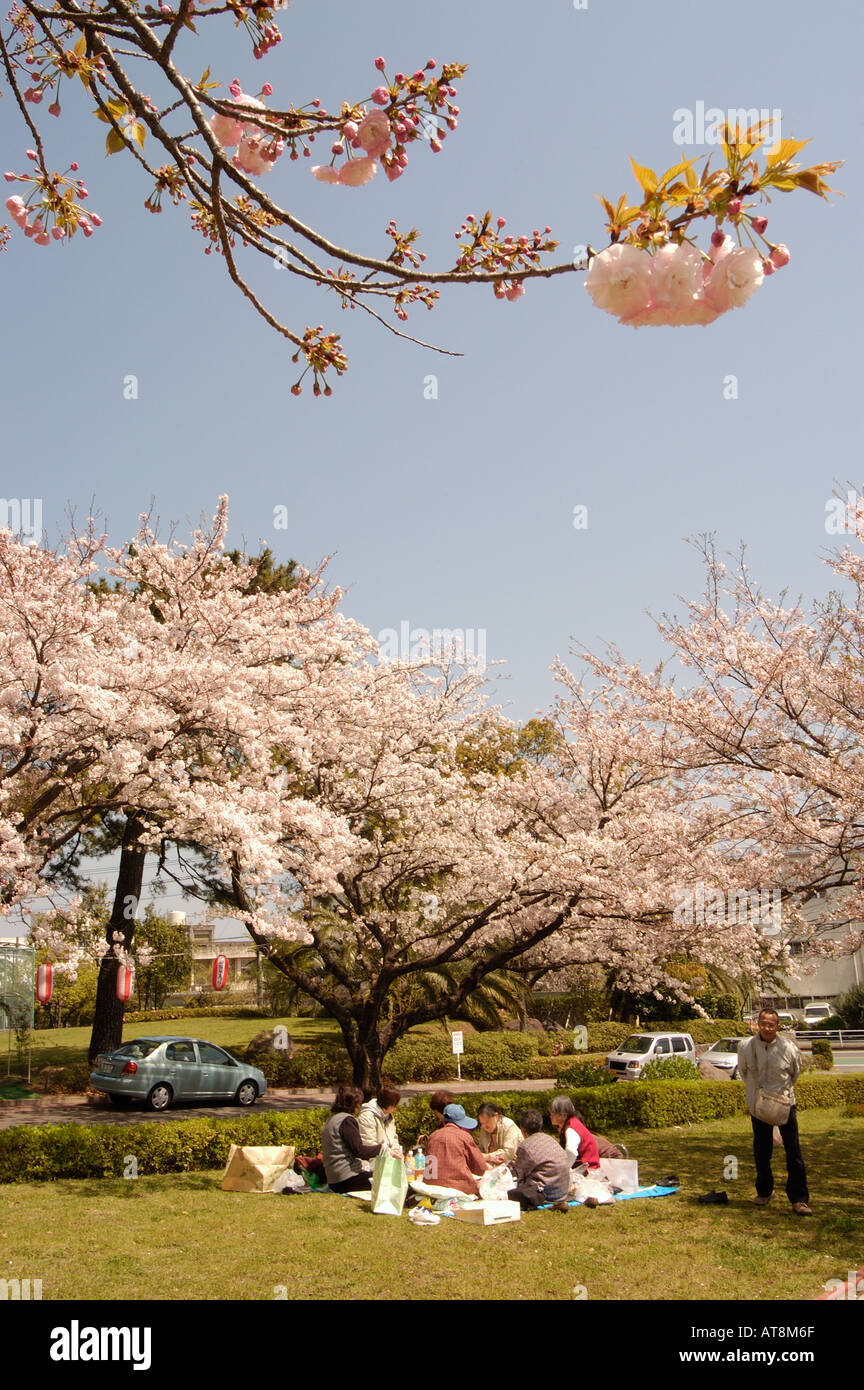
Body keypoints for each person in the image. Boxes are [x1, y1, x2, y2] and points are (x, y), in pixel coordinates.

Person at [737, 1008, 812, 1216]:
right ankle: (764, 1191)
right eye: (763, 1023)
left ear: (778, 1027)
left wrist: (781, 1095)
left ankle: (799, 1199)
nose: (767, 1028)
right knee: (761, 1152)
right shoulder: (746, 1047)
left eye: (771, 1024)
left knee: (793, 1152)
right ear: (757, 1024)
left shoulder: (788, 1047)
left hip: (785, 1105)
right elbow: (744, 1073)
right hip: (758, 1106)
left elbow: (795, 1073)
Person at [321, 1085, 382, 1194]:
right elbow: (359, 1151)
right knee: (384, 1178)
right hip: (346, 1179)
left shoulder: (331, 1119)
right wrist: (381, 1148)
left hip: (333, 1179)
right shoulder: (347, 1121)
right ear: (353, 1104)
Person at [508, 1108, 572, 1211]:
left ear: (522, 1128)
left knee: (510, 1193)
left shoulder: (525, 1146)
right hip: (562, 1191)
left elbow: (519, 1174)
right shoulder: (550, 1139)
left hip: (544, 1194)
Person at [425, 1103, 487, 1195]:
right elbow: (480, 1168)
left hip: (430, 1188)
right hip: (458, 1189)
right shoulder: (464, 1137)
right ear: (461, 1124)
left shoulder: (432, 1136)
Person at [549, 1096, 601, 1169]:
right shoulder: (573, 1123)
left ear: (563, 1115)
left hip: (588, 1171)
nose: (550, 1116)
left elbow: (571, 1152)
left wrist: (563, 1171)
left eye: (553, 1113)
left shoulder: (571, 1128)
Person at [358, 1084, 403, 1158]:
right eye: (395, 1105)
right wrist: (390, 1153)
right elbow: (369, 1145)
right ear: (389, 1105)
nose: (396, 1108)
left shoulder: (389, 1116)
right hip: (374, 1162)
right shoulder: (367, 1117)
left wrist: (396, 1151)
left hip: (388, 1160)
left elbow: (394, 1138)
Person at [474, 1101, 523, 1165]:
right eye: (482, 1123)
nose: (484, 1126)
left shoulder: (508, 1126)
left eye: (487, 1122)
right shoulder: (484, 1128)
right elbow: (481, 1149)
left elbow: (509, 1153)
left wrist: (488, 1157)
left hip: (513, 1165)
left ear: (496, 1116)